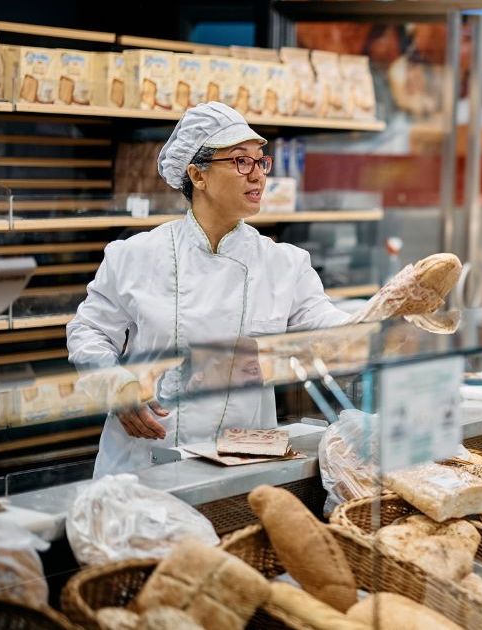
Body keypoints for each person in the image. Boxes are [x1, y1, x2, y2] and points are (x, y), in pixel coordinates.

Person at [67, 102, 352, 477]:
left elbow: (330, 327)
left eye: (260, 161)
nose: (258, 176)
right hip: (145, 463)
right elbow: (87, 331)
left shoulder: (284, 264)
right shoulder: (136, 255)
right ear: (197, 176)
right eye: (240, 161)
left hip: (240, 466)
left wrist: (388, 315)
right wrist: (115, 386)